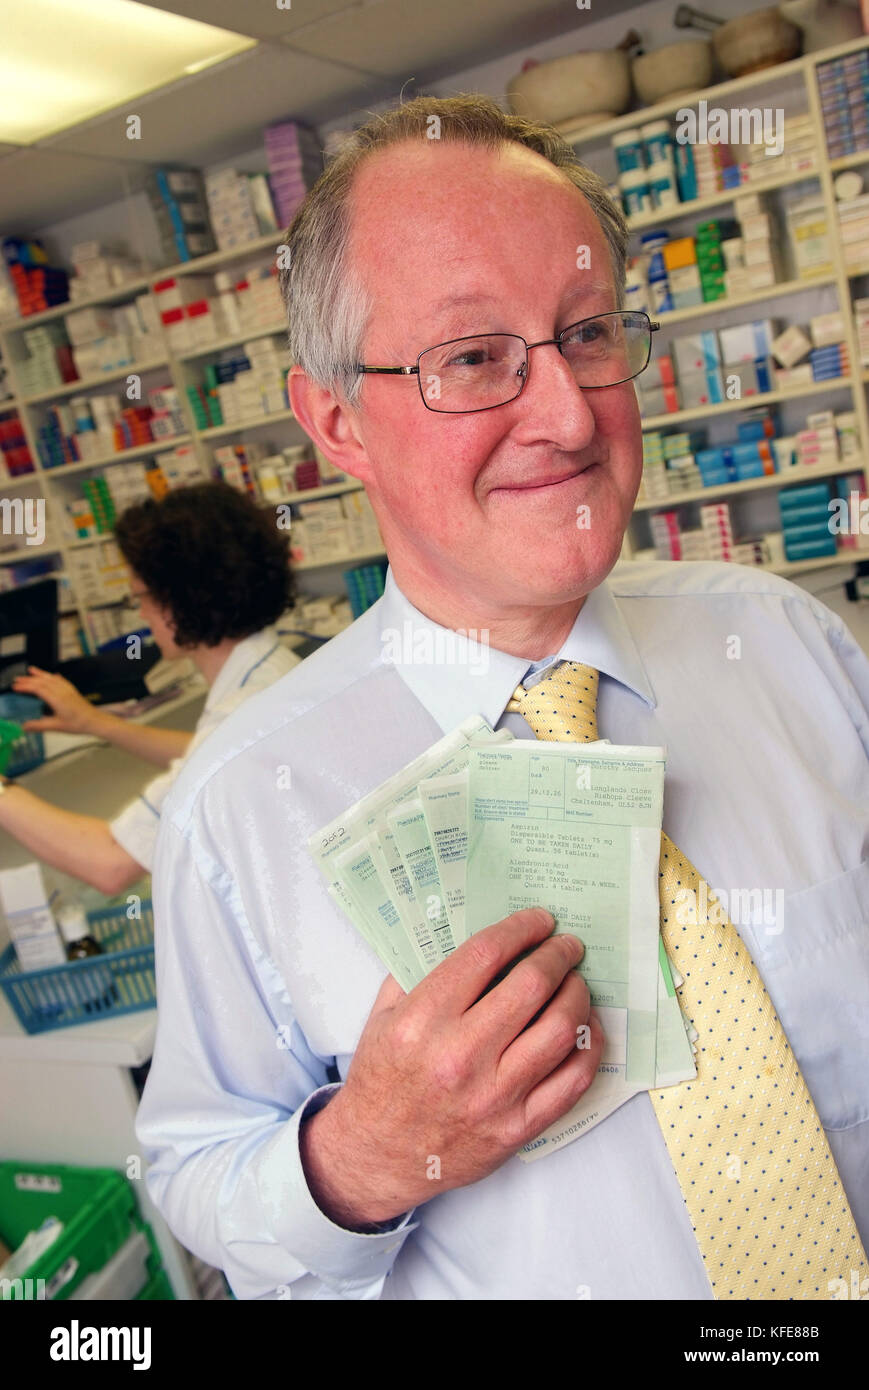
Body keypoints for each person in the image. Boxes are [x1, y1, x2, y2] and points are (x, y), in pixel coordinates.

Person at [135, 96, 869, 1300]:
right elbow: (197, 1171)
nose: (568, 415)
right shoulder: (236, 808)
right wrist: (359, 1158)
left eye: (586, 334)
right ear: (334, 422)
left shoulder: (783, 642)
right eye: (472, 358)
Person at [1, 480, 298, 895]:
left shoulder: (245, 710)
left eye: (141, 597)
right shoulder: (270, 670)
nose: (140, 614)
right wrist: (97, 724)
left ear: (182, 600)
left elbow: (110, 863)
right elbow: (208, 757)